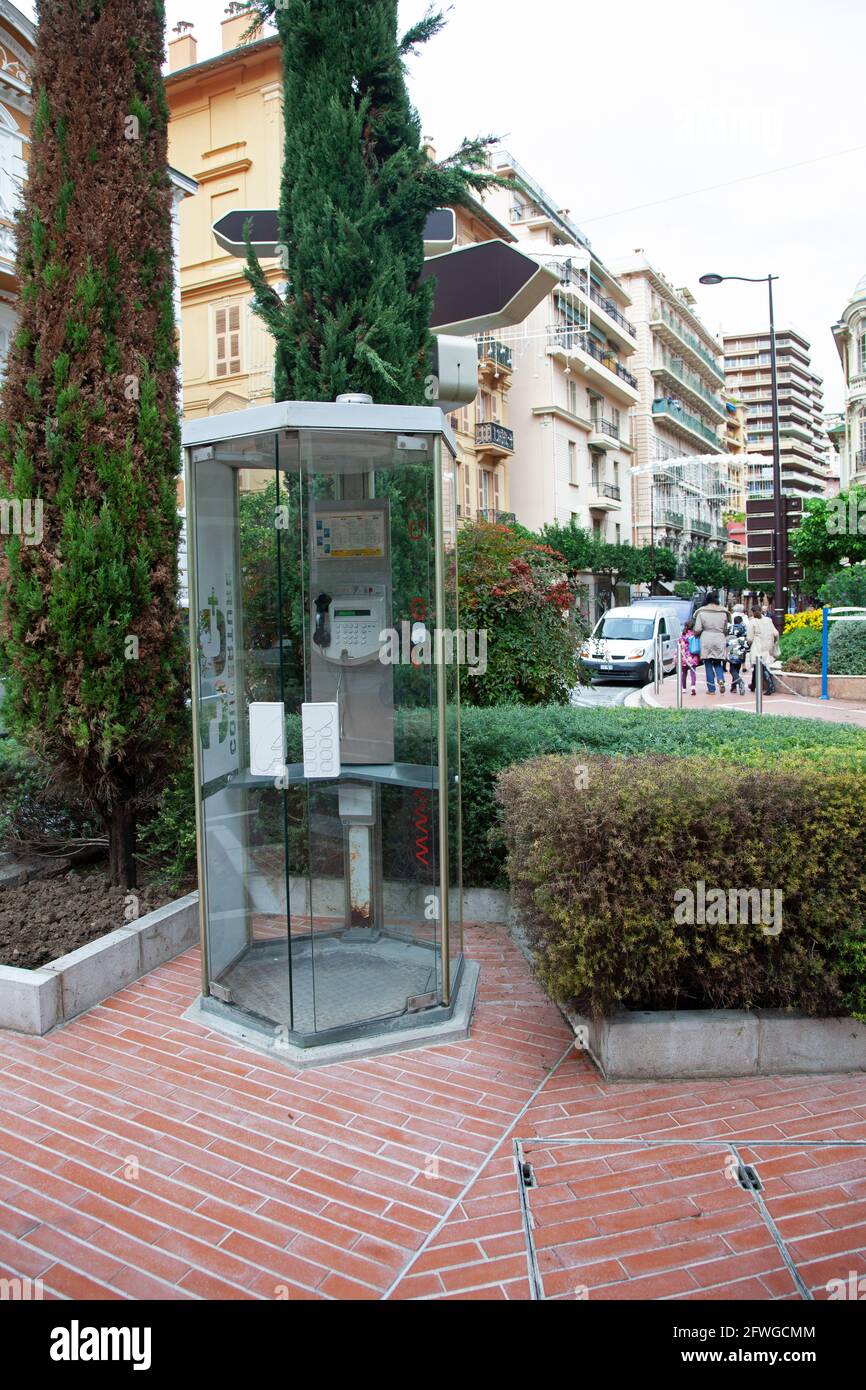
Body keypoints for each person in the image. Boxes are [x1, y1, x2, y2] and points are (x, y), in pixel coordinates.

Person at [692, 590, 729, 694]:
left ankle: (711, 689)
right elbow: (725, 629)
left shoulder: (701, 612)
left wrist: (696, 634)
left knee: (708, 663)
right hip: (719, 638)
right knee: (718, 662)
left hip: (706, 639)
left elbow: (698, 629)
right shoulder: (723, 612)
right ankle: (721, 679)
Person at [747, 605, 780, 694]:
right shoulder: (768, 620)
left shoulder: (752, 622)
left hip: (757, 645)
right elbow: (776, 633)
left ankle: (770, 685)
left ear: (753, 612)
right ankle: (753, 685)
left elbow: (749, 638)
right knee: (758, 665)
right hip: (768, 645)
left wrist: (748, 644)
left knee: (760, 666)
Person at [726, 610, 748, 695]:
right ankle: (733, 687)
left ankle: (739, 682)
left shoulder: (730, 628)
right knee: (737, 669)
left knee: (732, 669)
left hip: (732, 649)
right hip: (741, 650)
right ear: (741, 621)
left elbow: (726, 637)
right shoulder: (743, 628)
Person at [679, 620, 700, 696]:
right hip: (693, 656)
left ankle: (684, 688)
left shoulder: (683, 635)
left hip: (684, 656)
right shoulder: (695, 635)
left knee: (684, 673)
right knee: (693, 673)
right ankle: (693, 687)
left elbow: (679, 644)